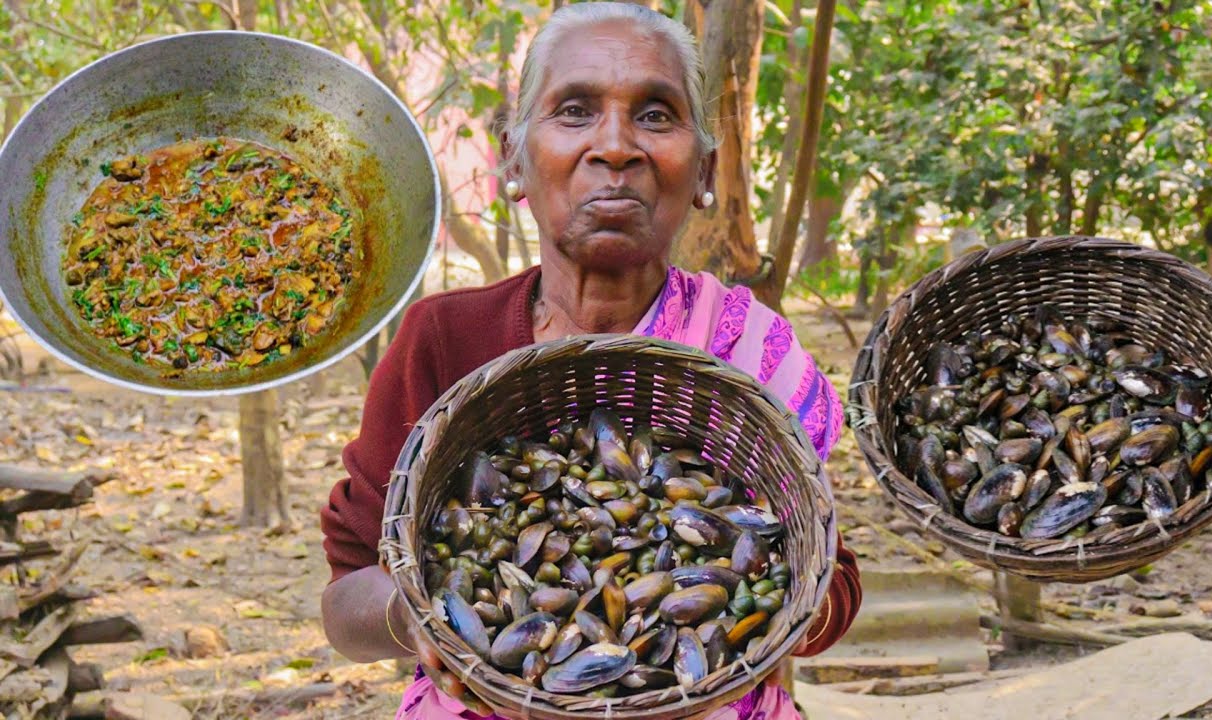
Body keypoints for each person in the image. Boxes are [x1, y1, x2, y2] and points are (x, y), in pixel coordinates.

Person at [320, 4, 861, 718]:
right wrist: (416, 618)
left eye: (656, 115)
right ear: (515, 159)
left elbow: (833, 581)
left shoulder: (749, 348)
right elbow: (347, 594)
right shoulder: (445, 338)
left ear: (704, 170)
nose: (615, 146)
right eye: (574, 111)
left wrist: (763, 615)